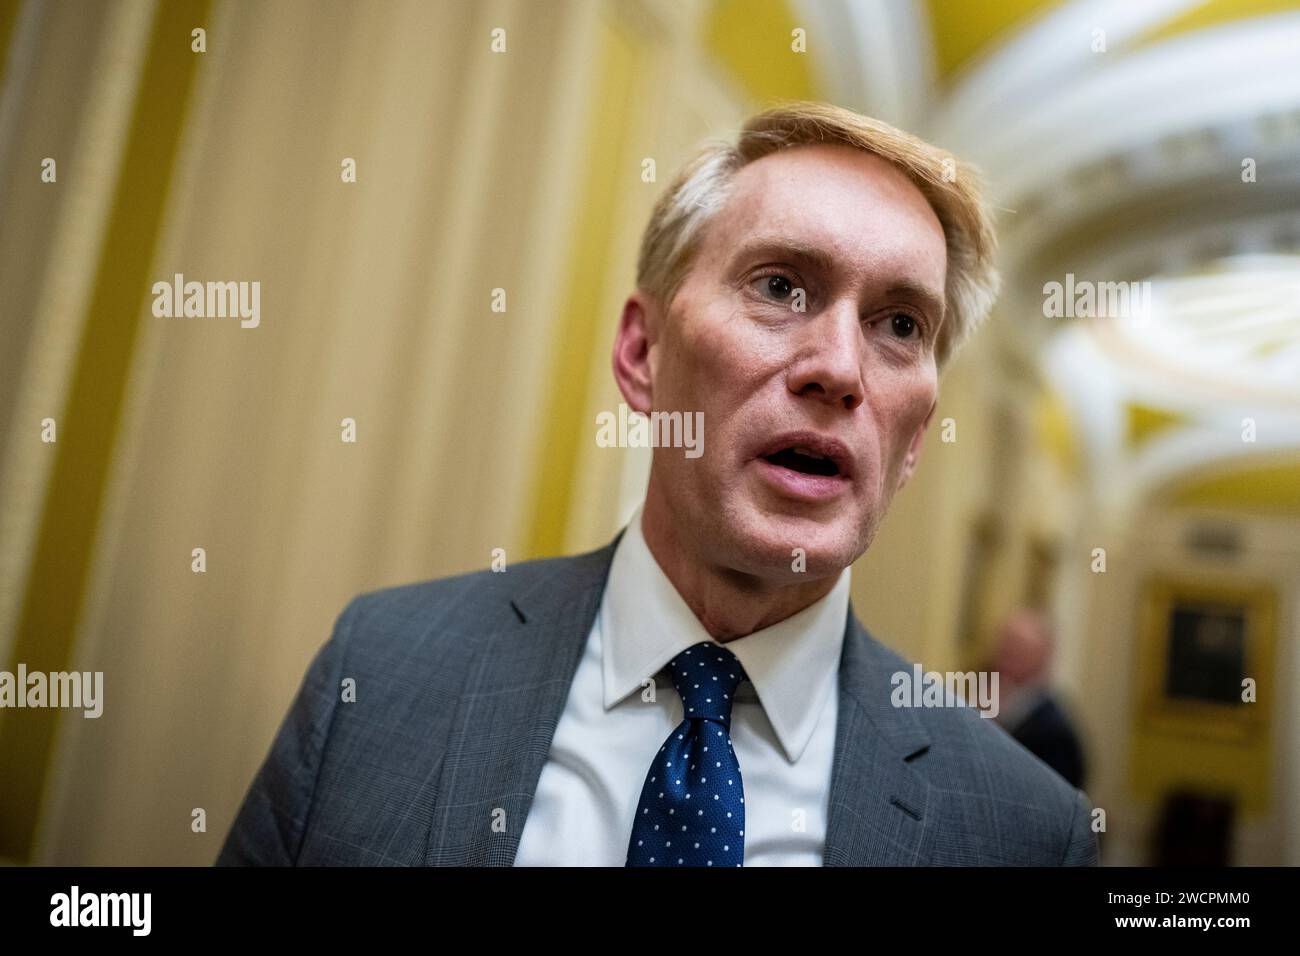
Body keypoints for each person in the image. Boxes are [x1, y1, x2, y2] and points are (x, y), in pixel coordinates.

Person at [217, 101, 1098, 866]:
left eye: (899, 324)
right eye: (782, 286)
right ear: (643, 354)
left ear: (913, 444)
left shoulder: (1023, 829)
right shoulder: (380, 674)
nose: (838, 368)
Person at [990, 609, 1088, 790]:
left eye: (1019, 646)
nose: (1010, 652)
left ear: (1043, 656)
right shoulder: (989, 698)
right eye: (1006, 643)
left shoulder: (1054, 729)